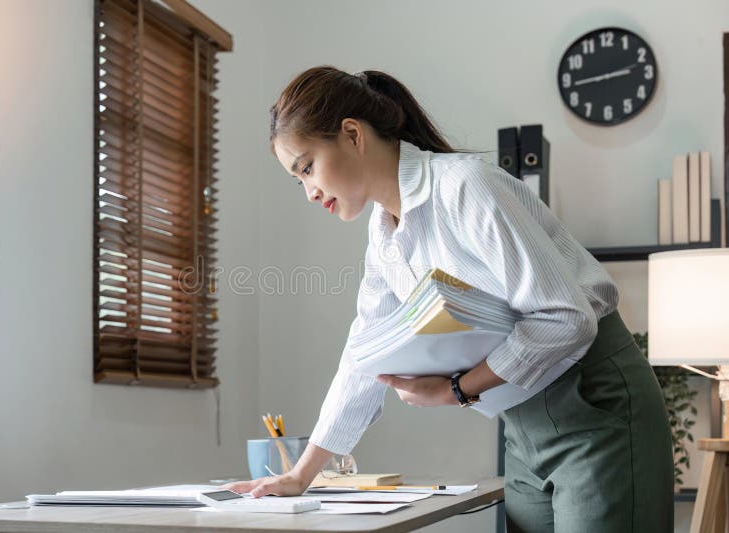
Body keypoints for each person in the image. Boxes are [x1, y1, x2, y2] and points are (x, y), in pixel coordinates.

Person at [225, 65, 673, 532]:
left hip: (595, 402)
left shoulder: (465, 187)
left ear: (352, 134)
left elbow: (568, 319)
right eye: (298, 180)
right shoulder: (384, 235)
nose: (310, 192)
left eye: (307, 167)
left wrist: (458, 389)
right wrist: (301, 475)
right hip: (522, 423)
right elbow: (361, 356)